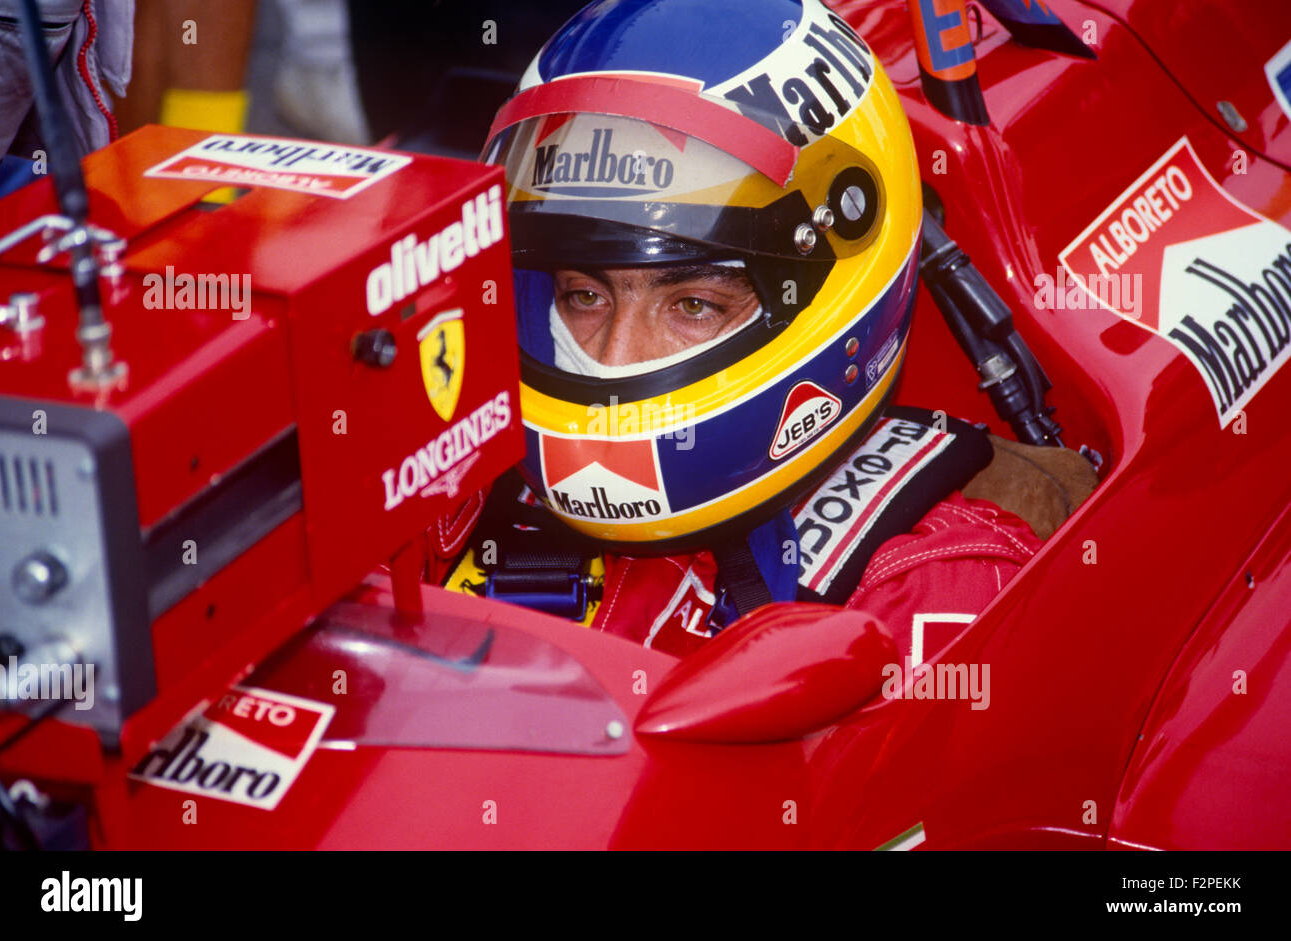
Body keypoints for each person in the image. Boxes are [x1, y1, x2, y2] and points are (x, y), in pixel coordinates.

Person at [422, 0, 1097, 663]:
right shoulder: (452, 494)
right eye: (584, 295)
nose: (612, 361)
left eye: (693, 306)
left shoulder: (923, 599)